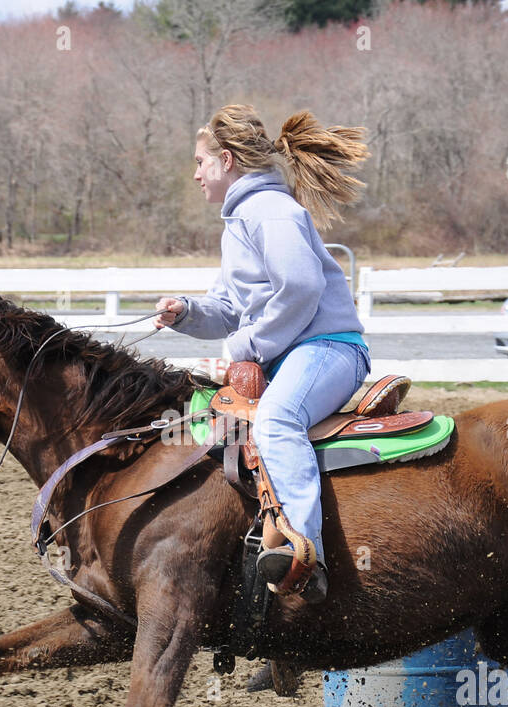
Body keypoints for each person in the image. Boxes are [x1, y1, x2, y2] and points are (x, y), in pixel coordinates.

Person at [155, 104, 371, 603]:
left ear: (226, 160)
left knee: (275, 421)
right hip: (296, 354)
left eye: (200, 163)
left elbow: (299, 287)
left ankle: (302, 550)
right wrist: (186, 311)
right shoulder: (241, 220)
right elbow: (230, 308)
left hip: (329, 348)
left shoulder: (270, 210)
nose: (194, 174)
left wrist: (247, 347)